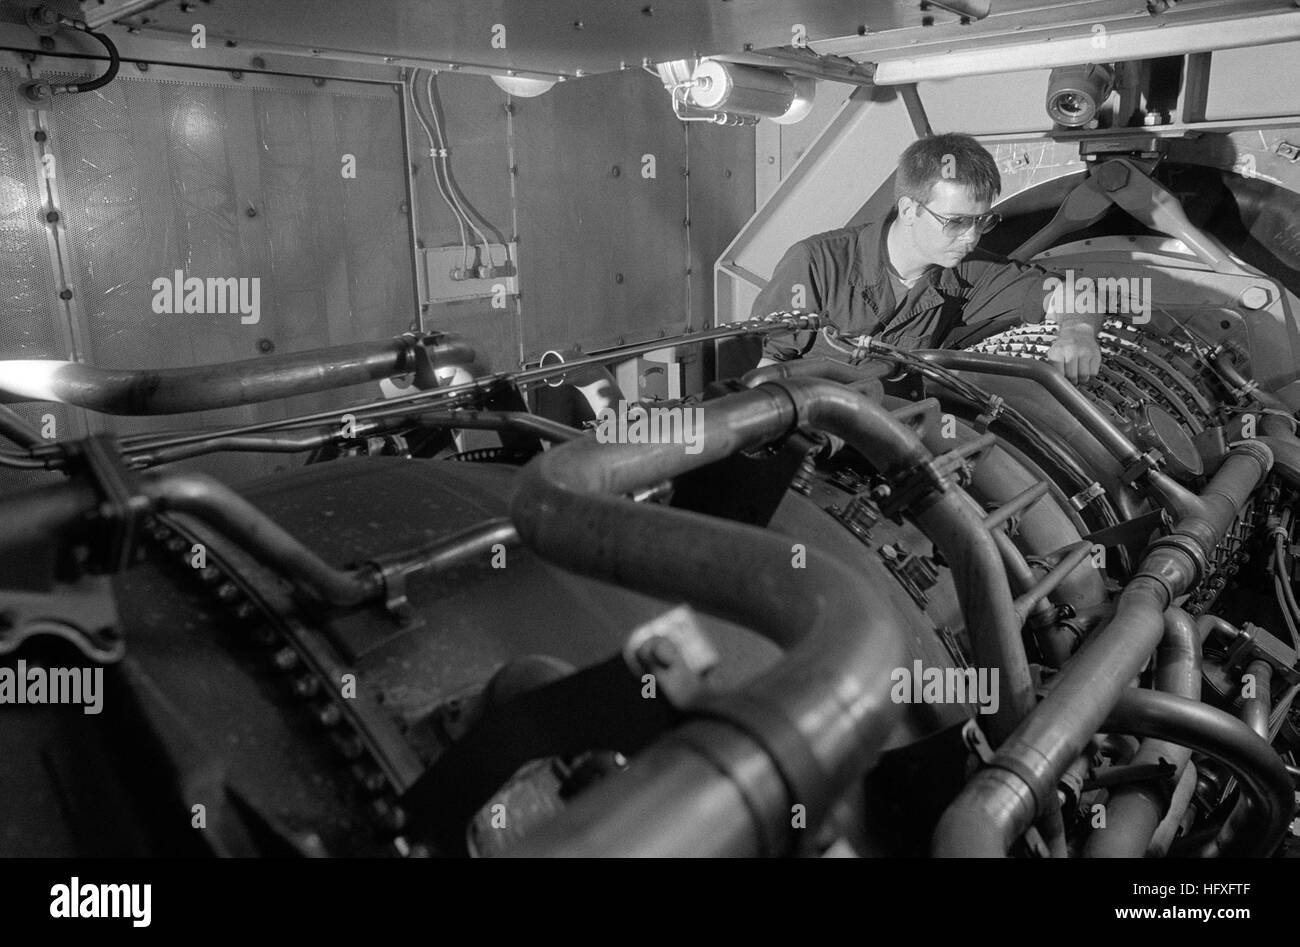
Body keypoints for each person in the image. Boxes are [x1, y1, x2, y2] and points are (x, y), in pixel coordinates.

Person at [750, 132, 1102, 383]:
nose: (971, 236)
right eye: (956, 222)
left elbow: (1074, 290)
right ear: (908, 210)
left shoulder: (970, 273)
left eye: (983, 221)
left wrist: (1079, 330)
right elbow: (767, 366)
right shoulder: (815, 263)